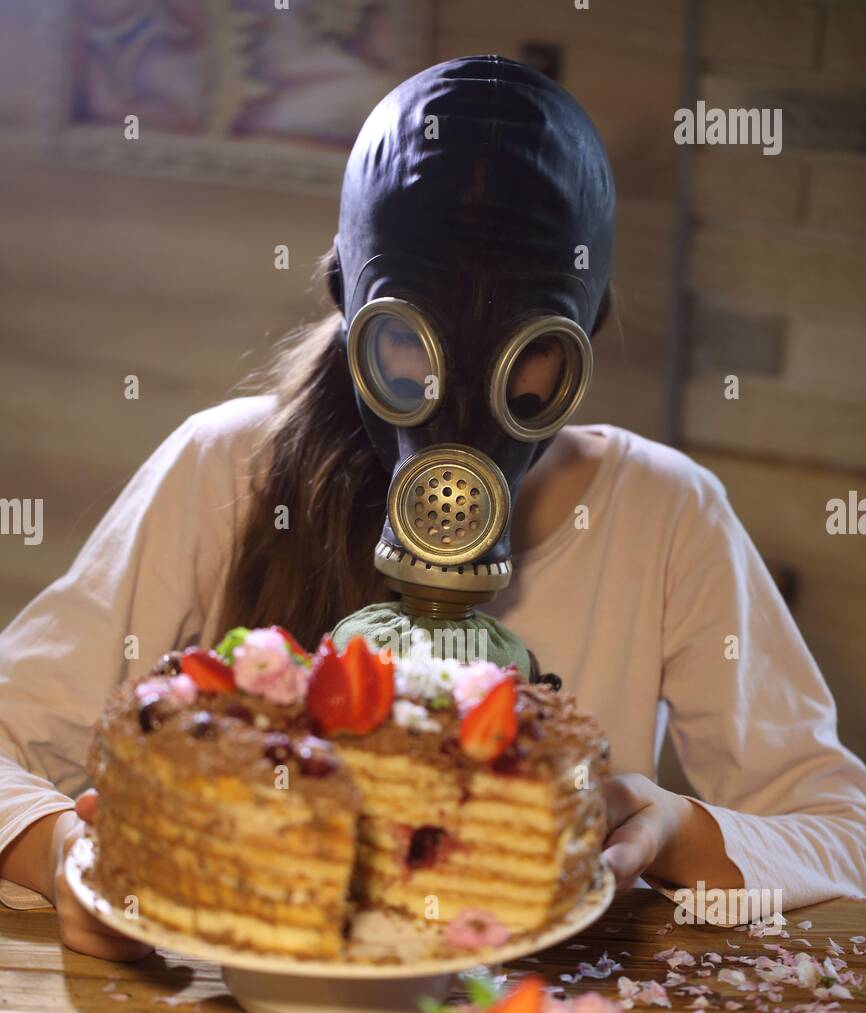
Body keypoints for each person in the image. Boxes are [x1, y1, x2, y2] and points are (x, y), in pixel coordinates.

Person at [1, 56, 864, 963]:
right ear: (348, 306)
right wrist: (69, 853)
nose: (456, 394)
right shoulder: (227, 468)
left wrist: (674, 827)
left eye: (521, 345)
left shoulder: (665, 513)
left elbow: (840, 834)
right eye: (410, 337)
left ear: (584, 337)